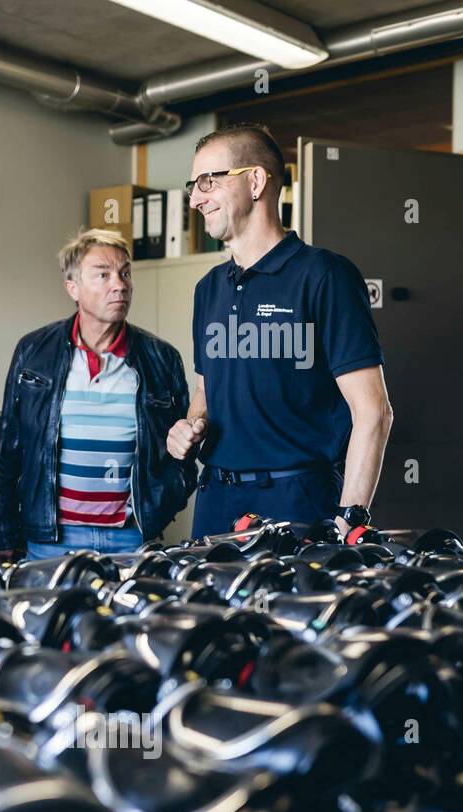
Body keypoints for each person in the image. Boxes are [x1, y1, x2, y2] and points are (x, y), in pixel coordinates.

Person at [168, 123, 393, 539]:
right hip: (216, 500)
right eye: (192, 186)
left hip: (297, 501)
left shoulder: (324, 275)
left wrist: (351, 517)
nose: (195, 199)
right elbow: (206, 388)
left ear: (254, 181)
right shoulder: (208, 289)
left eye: (207, 181)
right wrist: (188, 425)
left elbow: (373, 411)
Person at [0, 228, 195, 561]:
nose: (120, 284)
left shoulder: (161, 358)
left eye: (125, 273)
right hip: (51, 541)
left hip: (132, 540)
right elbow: (8, 449)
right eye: (103, 274)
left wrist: (159, 507)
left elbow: (184, 453)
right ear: (73, 287)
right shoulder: (34, 352)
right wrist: (1, 533)